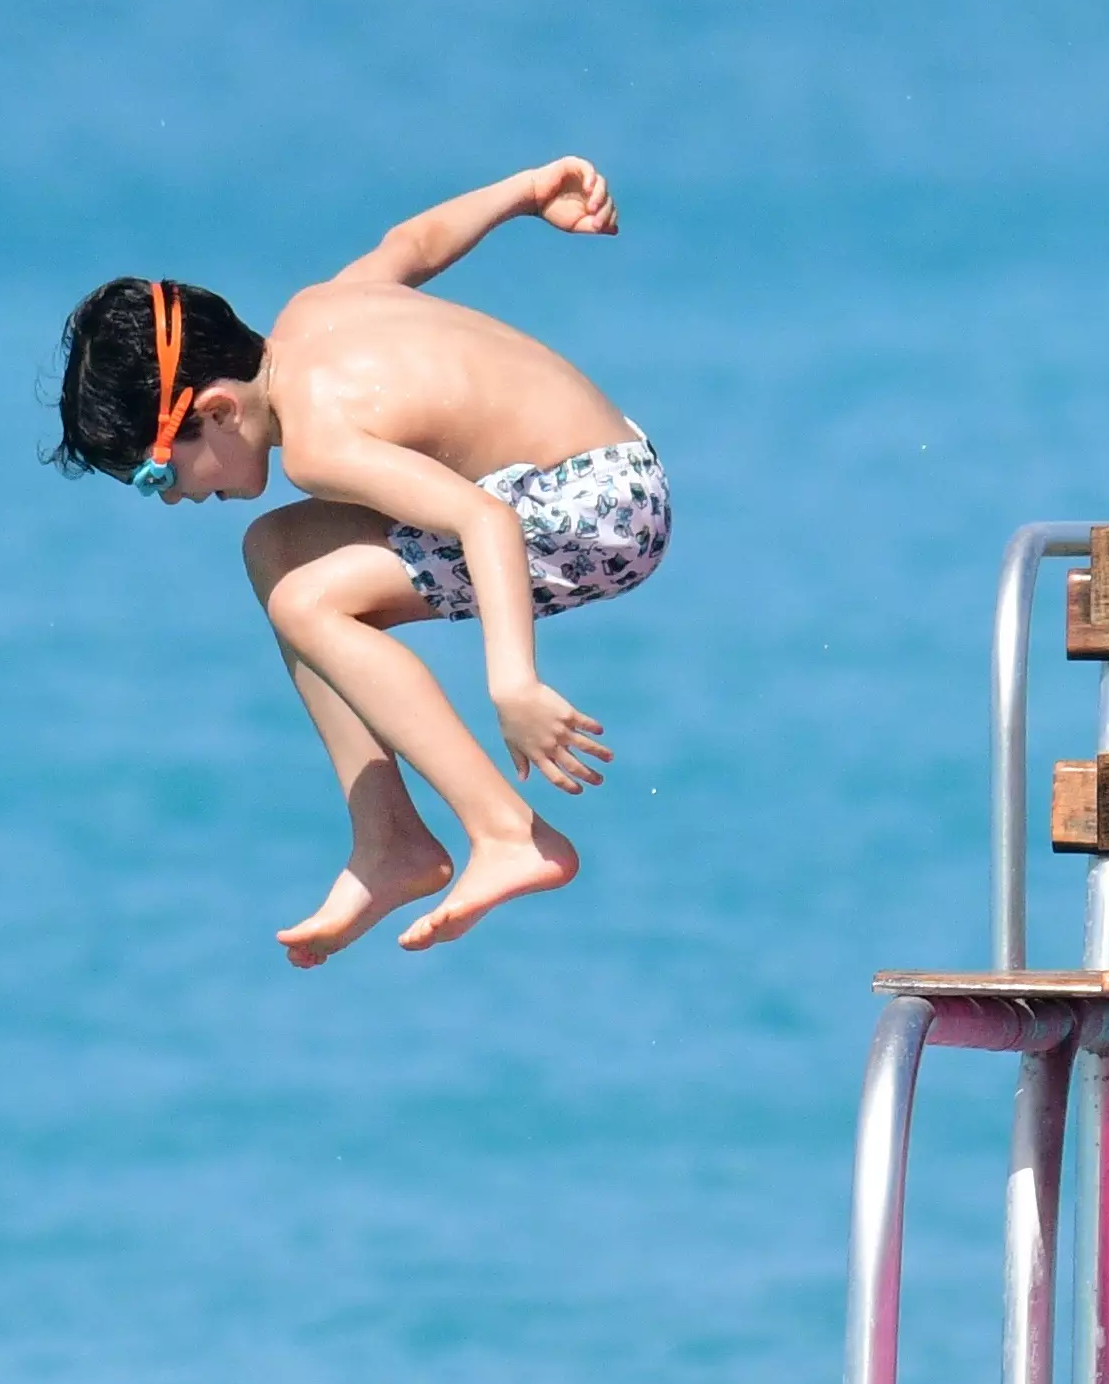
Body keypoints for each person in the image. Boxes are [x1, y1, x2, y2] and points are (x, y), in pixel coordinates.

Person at [49, 158, 669, 965]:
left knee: (309, 605)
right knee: (272, 550)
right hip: (611, 469)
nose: (171, 501)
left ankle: (508, 833)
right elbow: (412, 242)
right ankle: (390, 841)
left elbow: (486, 521)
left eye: (157, 476)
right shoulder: (313, 313)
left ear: (217, 410)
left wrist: (512, 683)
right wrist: (522, 193)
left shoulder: (320, 439)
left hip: (600, 514)